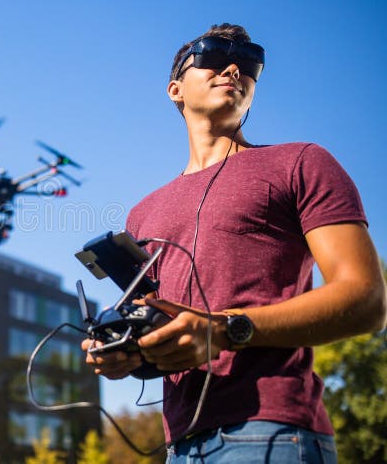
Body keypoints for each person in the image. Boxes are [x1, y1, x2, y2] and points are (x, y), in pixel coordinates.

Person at [82, 23, 387, 463]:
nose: (231, 68)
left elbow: (367, 300)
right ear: (175, 89)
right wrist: (123, 351)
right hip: (179, 446)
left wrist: (226, 329)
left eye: (247, 66)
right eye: (210, 58)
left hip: (270, 431)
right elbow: (164, 325)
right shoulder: (142, 213)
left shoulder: (300, 162)